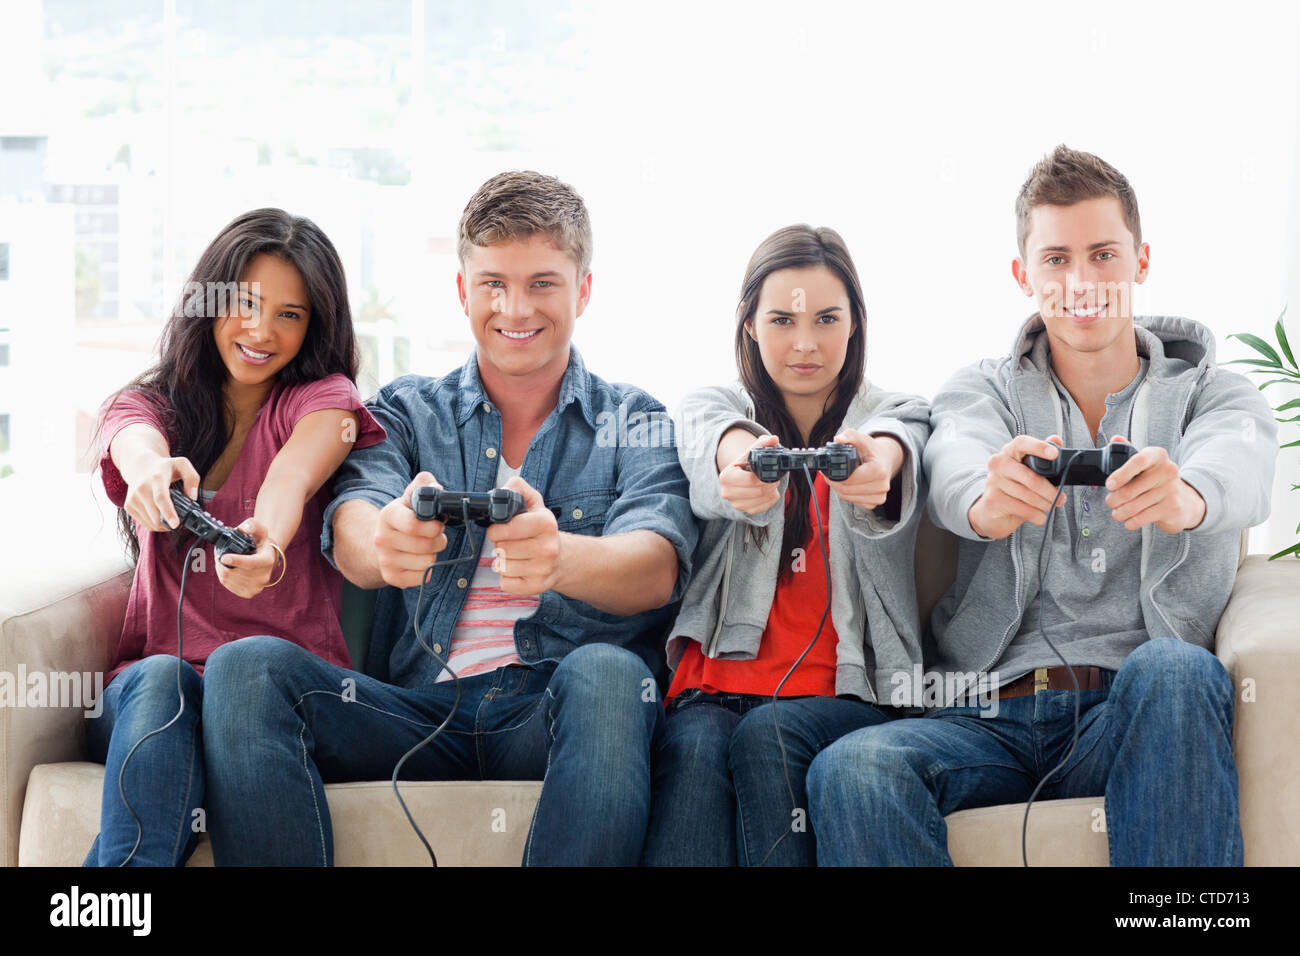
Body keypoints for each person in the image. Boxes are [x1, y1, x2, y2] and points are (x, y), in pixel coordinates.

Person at [199, 171, 698, 866]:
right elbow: (353, 527)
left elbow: (657, 565)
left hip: (557, 709)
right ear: (463, 291)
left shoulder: (635, 419)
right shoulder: (405, 410)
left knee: (611, 675)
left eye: (543, 283)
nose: (515, 307)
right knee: (244, 671)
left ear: (583, 290)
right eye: (493, 282)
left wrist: (561, 560)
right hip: (417, 710)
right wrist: (386, 542)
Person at [807, 145, 1278, 866]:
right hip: (989, 711)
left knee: (1177, 671)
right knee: (852, 769)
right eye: (1056, 259)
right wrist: (984, 504)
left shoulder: (1212, 392)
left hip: (1134, 706)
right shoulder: (984, 390)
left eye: (1102, 254)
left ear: (1141, 261)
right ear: (1024, 274)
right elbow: (956, 458)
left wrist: (1185, 494)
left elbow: (1241, 462)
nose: (1082, 281)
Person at [89, 208, 385, 866]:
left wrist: (266, 542)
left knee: (210, 707)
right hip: (152, 688)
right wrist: (149, 474)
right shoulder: (148, 406)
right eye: (246, 303)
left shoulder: (322, 401)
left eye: (291, 313)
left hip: (272, 697)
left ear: (314, 326)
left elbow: (291, 478)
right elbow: (135, 444)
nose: (261, 330)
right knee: (168, 686)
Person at [642, 225, 930, 866]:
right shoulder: (713, 405)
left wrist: (873, 466)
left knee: (771, 735)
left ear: (855, 323)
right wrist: (744, 467)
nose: (805, 343)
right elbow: (713, 436)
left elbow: (894, 441)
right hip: (711, 694)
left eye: (828, 318)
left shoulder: (898, 409)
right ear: (748, 324)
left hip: (849, 701)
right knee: (691, 766)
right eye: (781, 319)